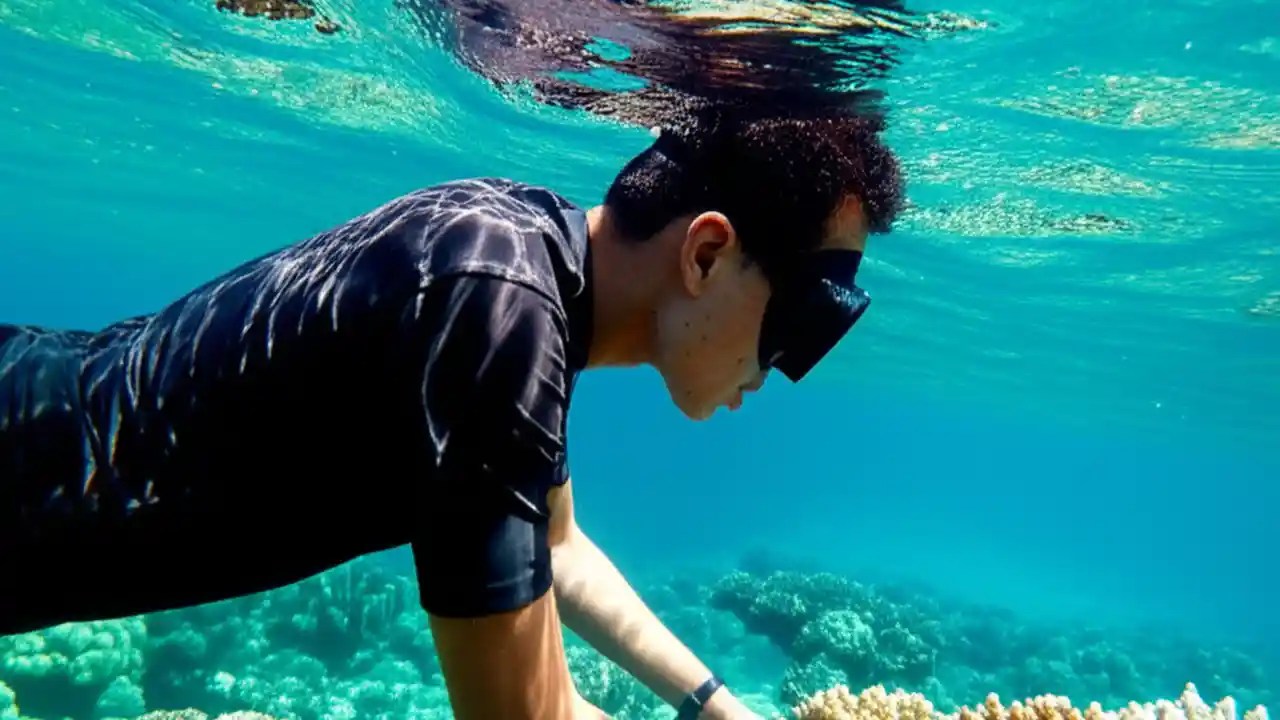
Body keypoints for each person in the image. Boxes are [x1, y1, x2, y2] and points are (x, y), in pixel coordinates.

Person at [0, 104, 904, 719]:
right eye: (802, 322)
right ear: (706, 252)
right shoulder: (499, 313)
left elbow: (557, 546)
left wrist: (714, 705)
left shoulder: (523, 249)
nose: (787, 369)